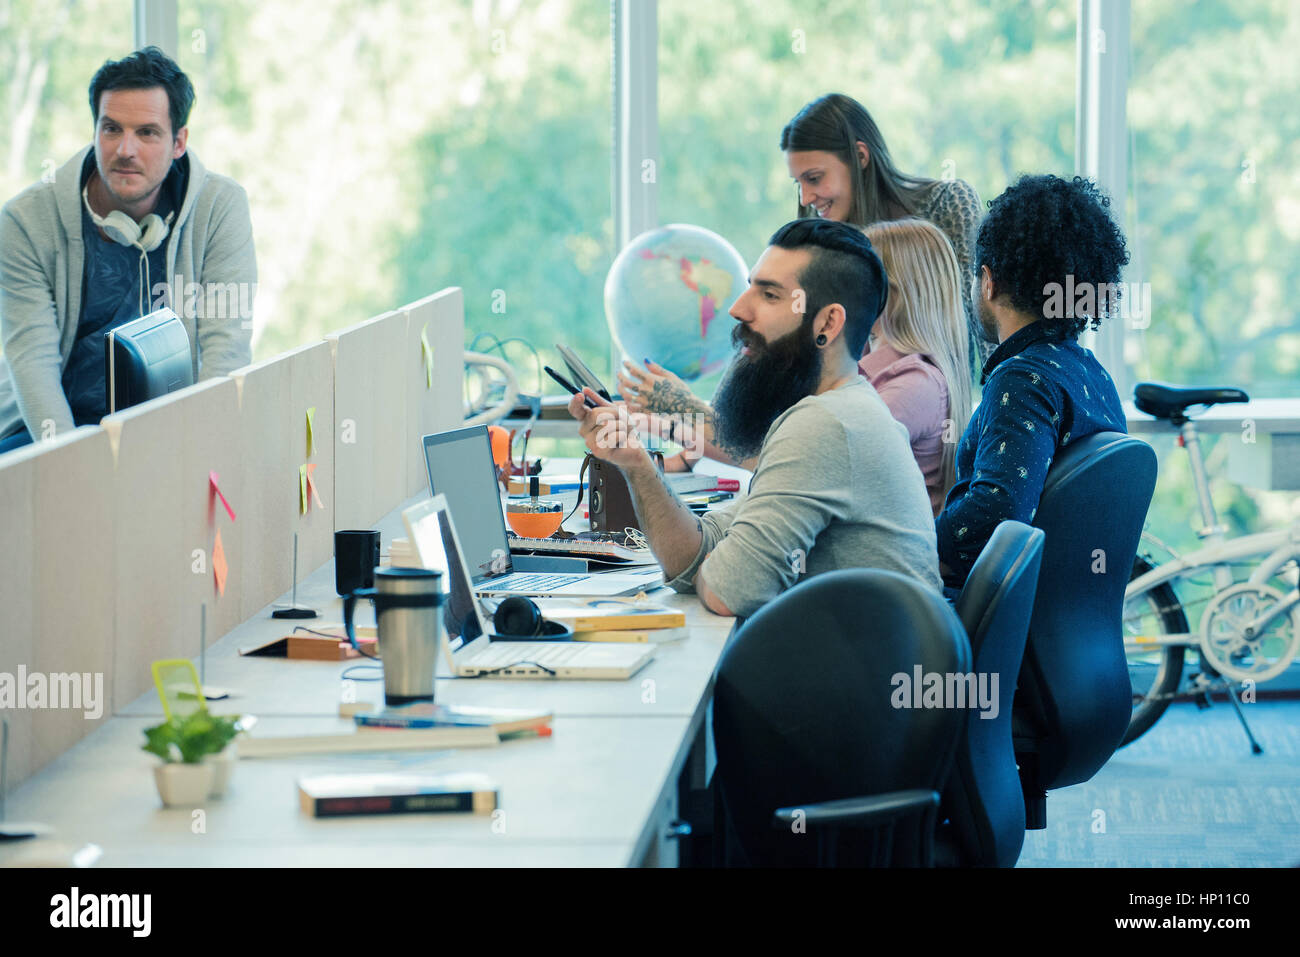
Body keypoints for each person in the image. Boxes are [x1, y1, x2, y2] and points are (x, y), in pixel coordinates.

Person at [569, 218, 941, 620]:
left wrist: (719, 565)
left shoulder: (828, 423)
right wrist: (637, 463)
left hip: (860, 677)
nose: (737, 308)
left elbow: (730, 592)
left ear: (827, 324)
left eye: (769, 295)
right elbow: (700, 553)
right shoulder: (828, 409)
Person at [0, 46, 255, 454]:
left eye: (147, 132)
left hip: (171, 432)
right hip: (52, 429)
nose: (125, 150)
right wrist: (74, 466)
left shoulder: (221, 207)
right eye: (112, 129)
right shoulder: (25, 221)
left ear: (179, 142)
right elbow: (33, 364)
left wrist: (199, 456)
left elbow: (226, 353)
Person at [935, 174, 1129, 591]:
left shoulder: (1022, 379)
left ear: (988, 281)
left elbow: (997, 513)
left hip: (1003, 622)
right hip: (1061, 621)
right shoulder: (1089, 372)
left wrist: (911, 545)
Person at [860, 218, 972, 516]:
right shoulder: (888, 373)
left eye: (855, 278)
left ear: (890, 293)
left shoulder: (914, 386)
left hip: (880, 560)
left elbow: (822, 464)